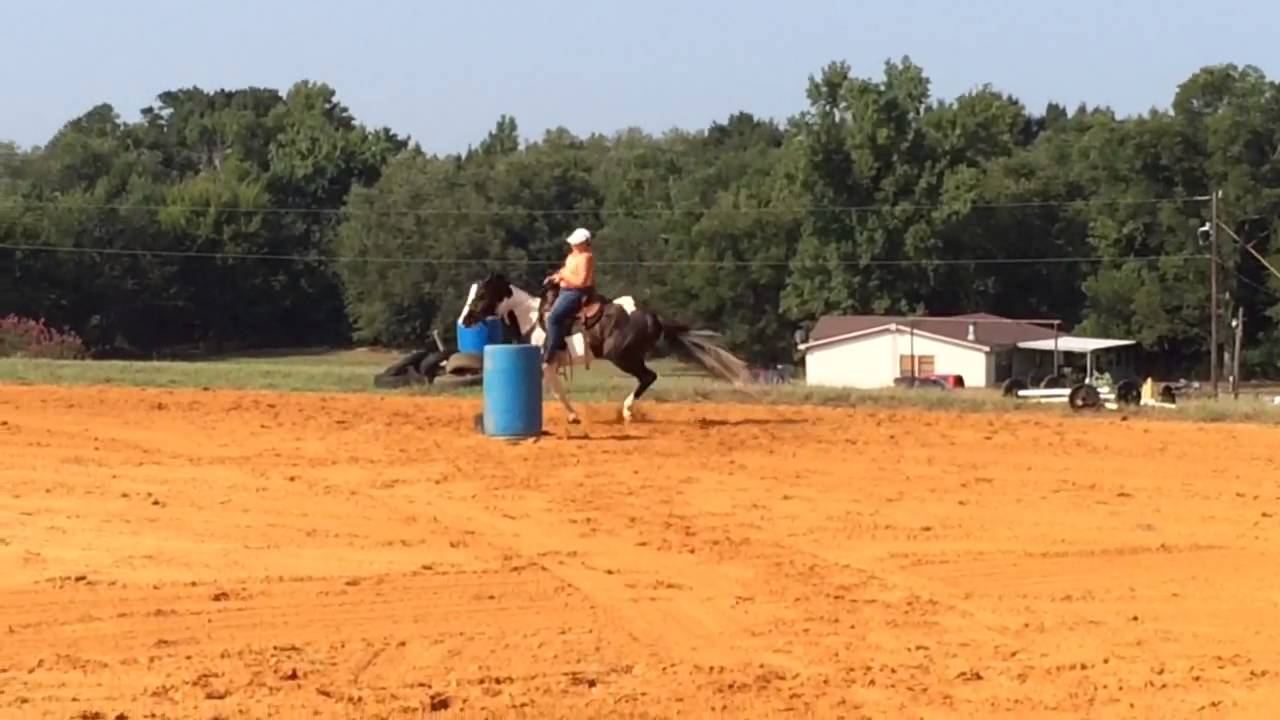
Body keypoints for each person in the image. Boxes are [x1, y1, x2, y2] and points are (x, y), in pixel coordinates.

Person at [542, 227, 595, 366]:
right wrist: (556, 277)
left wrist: (563, 275)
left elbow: (581, 282)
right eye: (573, 243)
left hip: (576, 293)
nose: (573, 245)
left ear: (585, 243)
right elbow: (564, 272)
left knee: (554, 318)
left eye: (576, 243)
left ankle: (550, 353)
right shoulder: (571, 256)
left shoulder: (586, 257)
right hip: (565, 290)